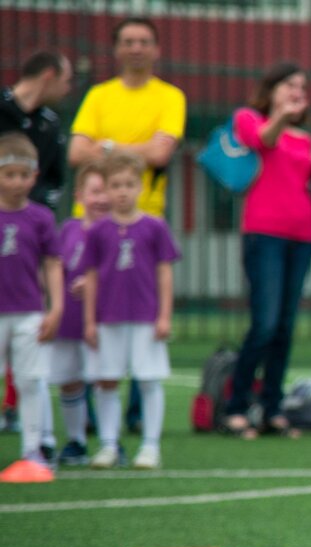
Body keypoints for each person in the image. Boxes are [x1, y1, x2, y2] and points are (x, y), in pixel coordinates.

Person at [69, 17, 185, 434]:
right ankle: (94, 424)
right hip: (92, 220)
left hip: (146, 216)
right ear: (116, 49)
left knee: (143, 314)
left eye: (144, 41)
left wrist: (108, 147)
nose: (136, 48)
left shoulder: (170, 96)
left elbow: (160, 153)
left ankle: (138, 418)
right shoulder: (99, 95)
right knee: (93, 316)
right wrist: (130, 152)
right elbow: (76, 151)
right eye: (128, 41)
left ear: (156, 49)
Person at [222, 63, 311, 440]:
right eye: (290, 85)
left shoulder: (305, 138)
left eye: (302, 86)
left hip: (303, 237)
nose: (297, 91)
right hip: (265, 234)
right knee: (263, 323)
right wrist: (280, 115)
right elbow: (264, 141)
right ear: (272, 88)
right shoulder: (248, 118)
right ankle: (236, 406)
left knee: (284, 327)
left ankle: (273, 408)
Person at [81, 152, 178, 470]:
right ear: (106, 189)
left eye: (129, 184)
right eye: (115, 185)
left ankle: (150, 446)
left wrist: (164, 315)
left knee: (149, 380)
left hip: (145, 318)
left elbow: (165, 272)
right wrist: (90, 321)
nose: (122, 191)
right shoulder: (97, 232)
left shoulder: (155, 226)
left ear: (141, 187)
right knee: (107, 380)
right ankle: (108, 445)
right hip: (108, 318)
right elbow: (91, 275)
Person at [0, 132, 63, 483]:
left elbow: (53, 264)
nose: (17, 182)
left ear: (35, 177)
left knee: (30, 380)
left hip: (28, 311)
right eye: (9, 174)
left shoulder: (40, 217)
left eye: (24, 175)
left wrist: (55, 308)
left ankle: (33, 450)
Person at [49, 163, 110, 466]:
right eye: (94, 192)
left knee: (103, 379)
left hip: (101, 323)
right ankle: (77, 441)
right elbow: (54, 268)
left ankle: (110, 444)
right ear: (80, 195)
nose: (101, 199)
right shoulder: (69, 229)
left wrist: (96, 282)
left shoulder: (115, 231)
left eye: (105, 192)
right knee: (69, 380)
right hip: (69, 320)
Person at [0, 51, 72, 212]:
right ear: (49, 75)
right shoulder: (2, 109)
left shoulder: (50, 125)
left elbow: (55, 181)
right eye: (66, 81)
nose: (67, 89)